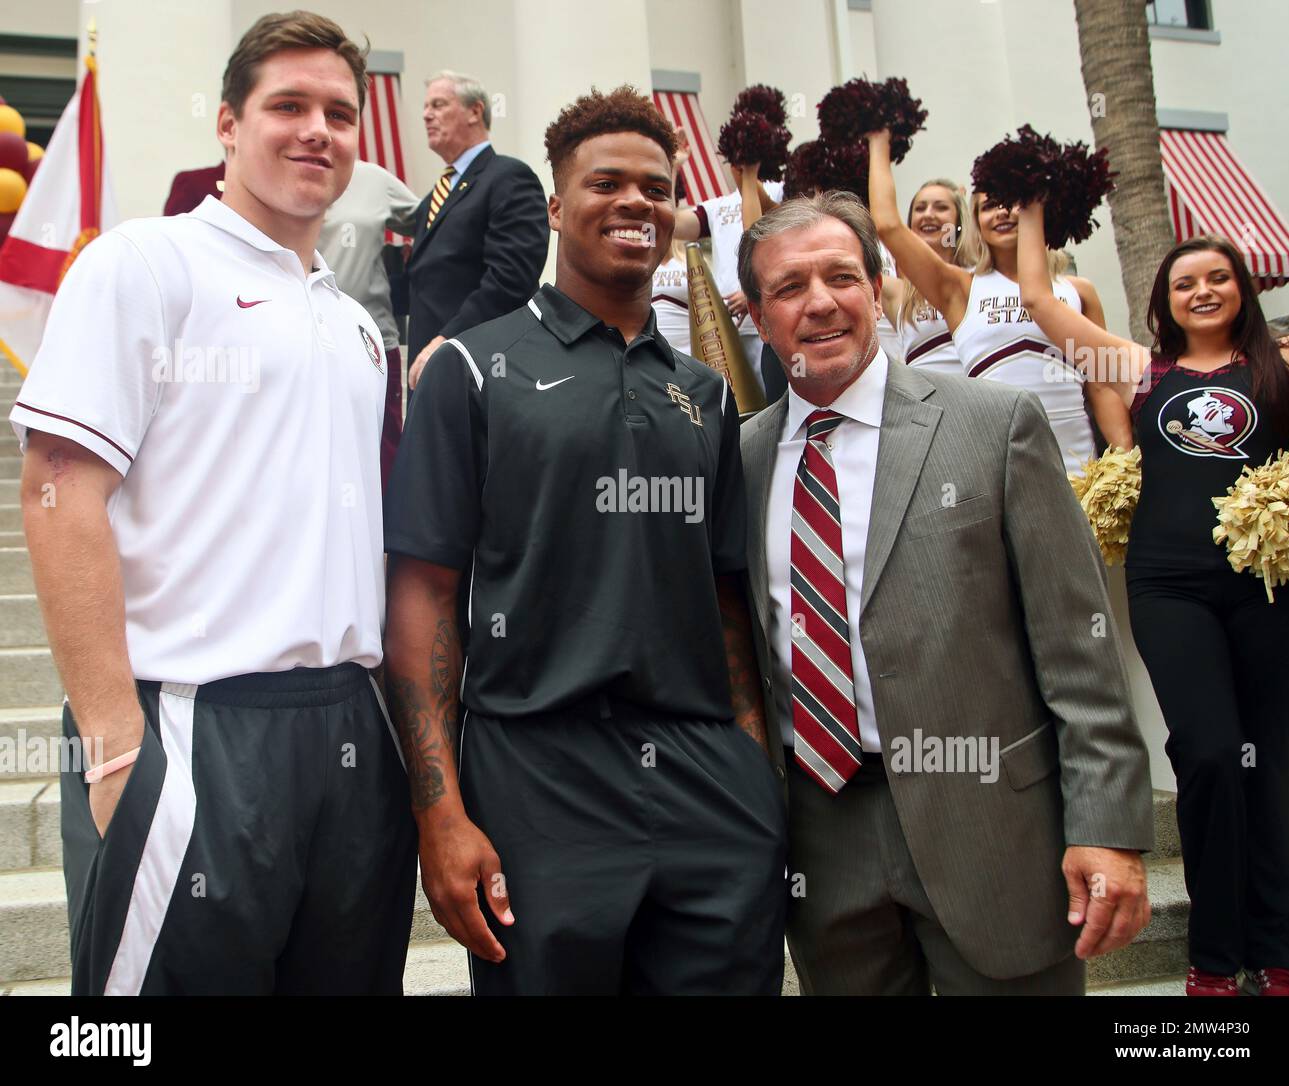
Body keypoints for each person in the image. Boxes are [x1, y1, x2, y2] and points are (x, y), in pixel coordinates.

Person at [11, 11, 416, 995]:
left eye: (337, 112)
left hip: (351, 730)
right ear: (228, 124)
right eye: (288, 105)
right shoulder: (145, 264)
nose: (316, 129)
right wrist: (113, 748)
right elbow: (59, 493)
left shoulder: (355, 325)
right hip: (195, 722)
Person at [383, 85, 786, 996]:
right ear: (558, 207)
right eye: (606, 183)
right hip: (537, 772)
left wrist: (754, 776)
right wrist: (439, 810)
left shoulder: (708, 392)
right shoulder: (472, 368)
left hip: (706, 776)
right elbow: (423, 593)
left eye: (655, 186)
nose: (635, 202)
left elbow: (726, 594)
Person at [737, 191, 1154, 995]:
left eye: (841, 277)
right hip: (821, 841)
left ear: (877, 284)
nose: (821, 302)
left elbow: (1078, 645)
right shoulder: (737, 459)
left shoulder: (998, 426)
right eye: (790, 288)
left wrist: (1107, 826)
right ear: (757, 314)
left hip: (994, 826)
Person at [1016, 205, 1289, 998]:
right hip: (1170, 586)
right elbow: (1042, 305)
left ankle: (1279, 952)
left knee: (1270, 765)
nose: (1202, 291)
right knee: (1210, 752)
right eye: (1185, 282)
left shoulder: (1284, 365)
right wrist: (1036, 206)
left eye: (1217, 278)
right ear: (1163, 300)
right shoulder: (1142, 371)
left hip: (1273, 587)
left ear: (1242, 288)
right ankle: (1213, 957)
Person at [866, 128, 1129, 473]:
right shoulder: (959, 289)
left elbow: (1102, 382)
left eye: (1015, 202)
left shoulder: (1078, 290)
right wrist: (879, 137)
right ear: (975, 221)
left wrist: (1124, 462)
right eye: (989, 206)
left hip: (1077, 466)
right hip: (995, 467)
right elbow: (888, 225)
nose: (1003, 212)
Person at [405, 69, 549, 388]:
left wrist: (447, 341)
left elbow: (510, 280)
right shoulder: (432, 200)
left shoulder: (509, 178)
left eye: (439, 105)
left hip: (483, 367)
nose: (427, 115)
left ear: (475, 111)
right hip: (429, 368)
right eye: (426, 107)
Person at [319, 159, 420, 487]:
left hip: (372, 339)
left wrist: (416, 257)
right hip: (305, 338)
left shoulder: (373, 180)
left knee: (383, 446)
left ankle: (387, 535)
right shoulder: (286, 173)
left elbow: (432, 223)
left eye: (339, 114)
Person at [675, 147, 783, 384]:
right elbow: (673, 225)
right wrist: (674, 166)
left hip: (771, 322)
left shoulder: (779, 190)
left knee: (776, 403)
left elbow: (763, 238)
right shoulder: (716, 207)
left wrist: (754, 293)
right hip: (730, 331)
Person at [878, 178, 977, 377]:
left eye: (941, 208)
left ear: (959, 221)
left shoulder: (979, 279)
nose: (928, 214)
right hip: (924, 402)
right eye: (920, 208)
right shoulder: (897, 292)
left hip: (978, 400)